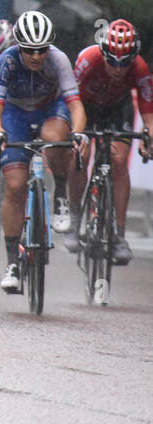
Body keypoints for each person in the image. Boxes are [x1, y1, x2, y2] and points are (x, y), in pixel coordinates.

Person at [0, 11, 86, 293]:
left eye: (42, 49)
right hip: (15, 114)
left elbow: (75, 105)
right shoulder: (6, 61)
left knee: (54, 138)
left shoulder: (58, 59)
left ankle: (61, 194)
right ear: (19, 46)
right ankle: (12, 263)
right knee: (15, 186)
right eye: (30, 49)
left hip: (50, 109)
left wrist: (77, 133)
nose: (37, 55)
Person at [64, 19, 152, 264]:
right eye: (112, 60)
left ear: (133, 57)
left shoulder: (140, 68)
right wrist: (76, 133)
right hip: (86, 107)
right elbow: (71, 100)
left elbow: (148, 111)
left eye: (125, 62)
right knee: (79, 155)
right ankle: (73, 221)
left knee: (119, 160)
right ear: (103, 53)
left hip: (117, 109)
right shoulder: (87, 60)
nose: (118, 68)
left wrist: (148, 137)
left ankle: (120, 236)